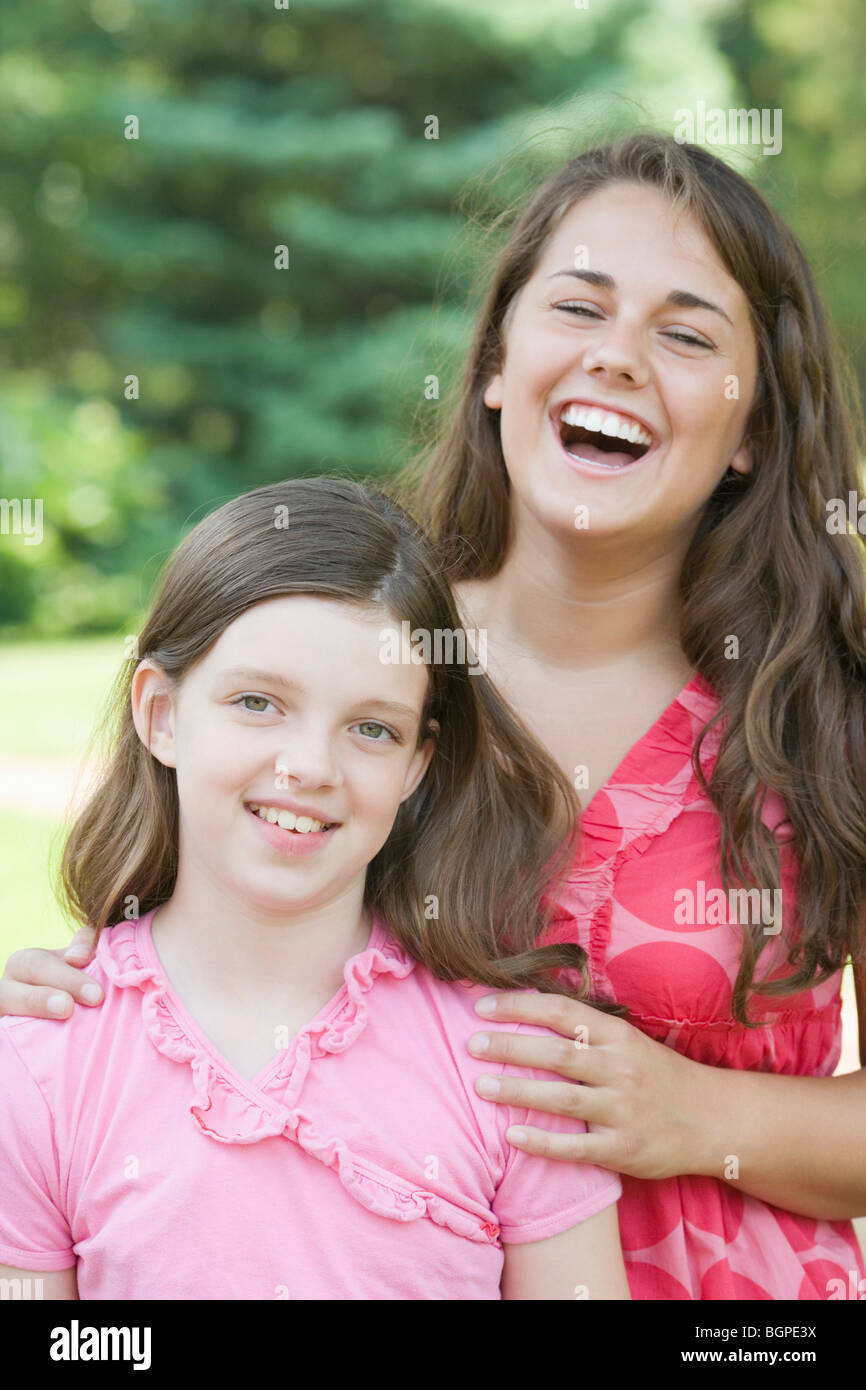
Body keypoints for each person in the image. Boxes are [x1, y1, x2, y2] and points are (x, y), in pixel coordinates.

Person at [5, 130, 866, 1300]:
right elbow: (188, 943)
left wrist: (694, 1114)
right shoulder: (367, 666)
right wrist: (49, 1008)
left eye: (682, 333)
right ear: (497, 362)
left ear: (752, 425)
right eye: (577, 308)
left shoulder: (825, 709)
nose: (615, 358)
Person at [0, 478, 629, 1300]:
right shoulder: (44, 1061)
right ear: (160, 714)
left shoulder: (509, 1061)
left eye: (371, 729)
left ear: (417, 764)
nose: (310, 768)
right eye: (258, 703)